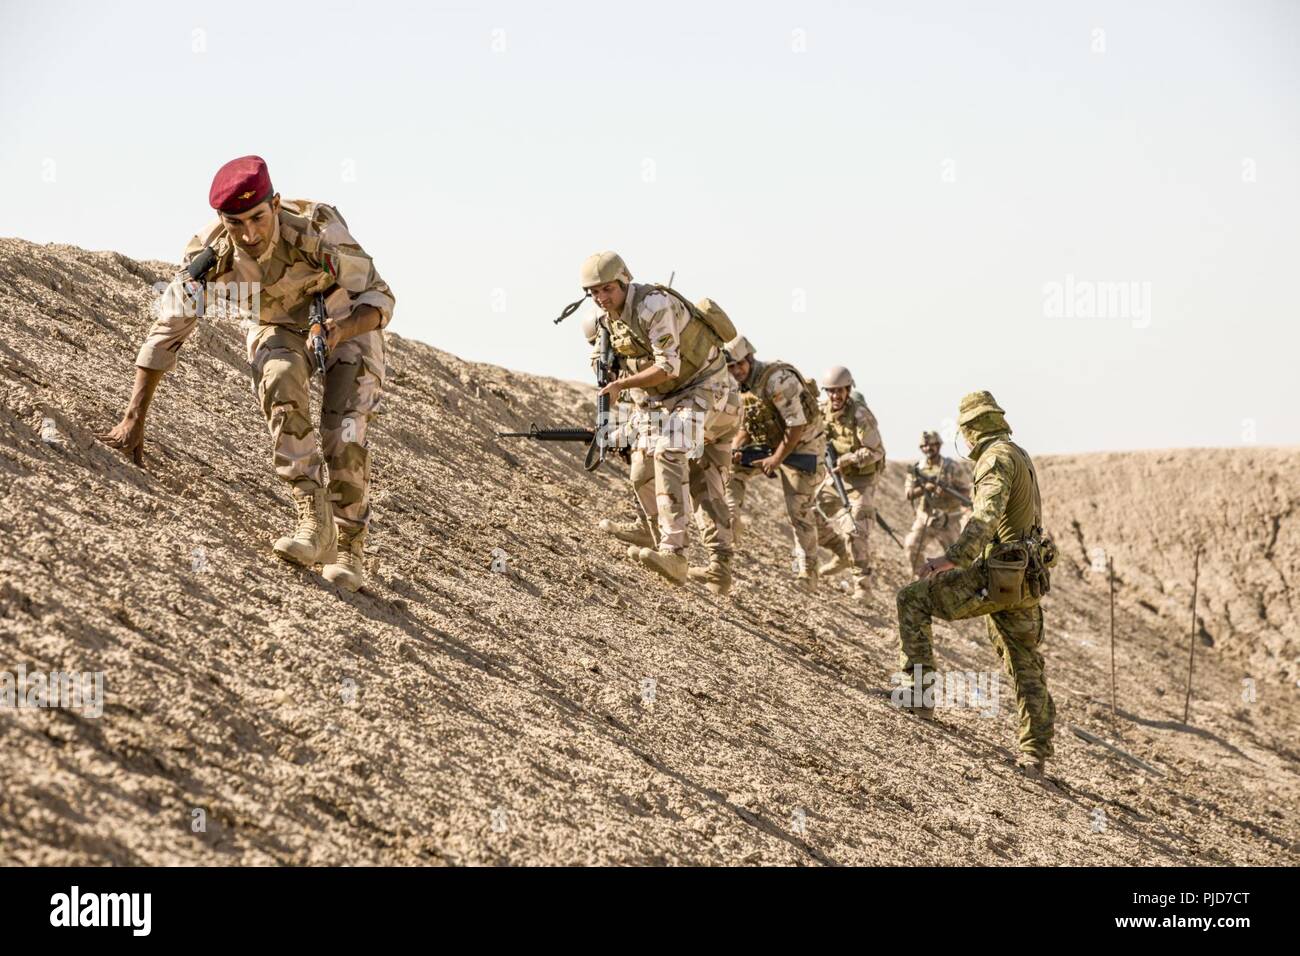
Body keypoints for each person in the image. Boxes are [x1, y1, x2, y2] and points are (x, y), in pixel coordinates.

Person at [99, 155, 394, 592]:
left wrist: (339, 330)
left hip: (346, 323)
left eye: (257, 218)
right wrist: (132, 419)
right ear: (221, 218)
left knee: (342, 430)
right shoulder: (210, 255)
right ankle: (314, 523)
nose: (249, 234)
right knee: (279, 380)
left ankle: (349, 546)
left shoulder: (317, 231)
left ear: (274, 205)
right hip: (275, 324)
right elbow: (167, 332)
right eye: (236, 223)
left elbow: (381, 299)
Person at [894, 391, 1057, 777]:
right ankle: (1034, 754)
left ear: (969, 430)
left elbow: (986, 516)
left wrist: (951, 558)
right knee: (1026, 664)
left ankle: (917, 696)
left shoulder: (994, 459)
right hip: (1025, 579)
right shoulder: (1018, 453)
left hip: (997, 575)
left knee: (912, 600)